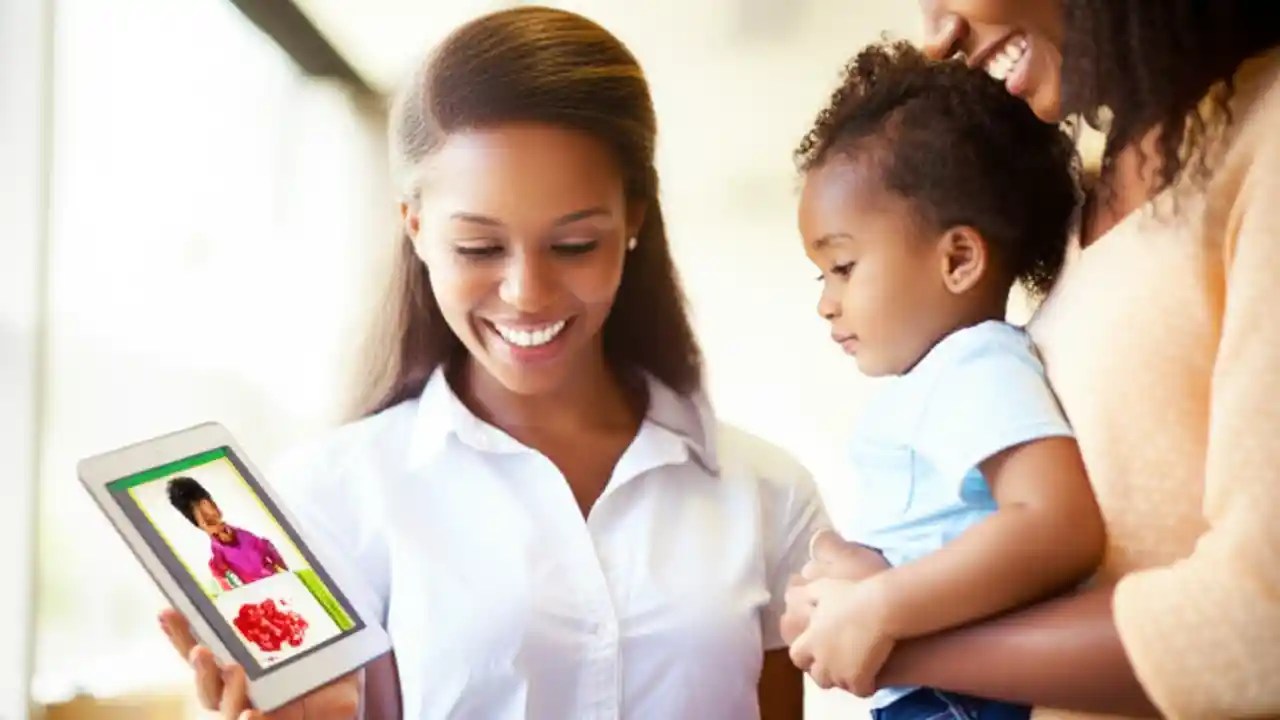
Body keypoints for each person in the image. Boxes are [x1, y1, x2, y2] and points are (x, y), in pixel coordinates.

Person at [158, 6, 828, 720]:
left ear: (634, 216)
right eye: (478, 248)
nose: (527, 293)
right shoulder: (327, 498)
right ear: (416, 227)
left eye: (574, 245)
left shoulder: (767, 494)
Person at [785, 2, 1280, 718]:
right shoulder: (1100, 190)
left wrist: (889, 632)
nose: (937, 34)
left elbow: (1262, 623)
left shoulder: (1266, 143)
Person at [786, 41, 1103, 720]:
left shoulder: (977, 365)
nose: (826, 304)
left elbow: (1057, 523)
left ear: (958, 258)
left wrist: (877, 604)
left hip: (961, 700)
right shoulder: (943, 374)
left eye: (843, 268)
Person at [166, 476, 288, 590]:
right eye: (206, 519)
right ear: (198, 523)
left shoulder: (247, 536)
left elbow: (273, 556)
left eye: (211, 505)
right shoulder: (218, 561)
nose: (212, 515)